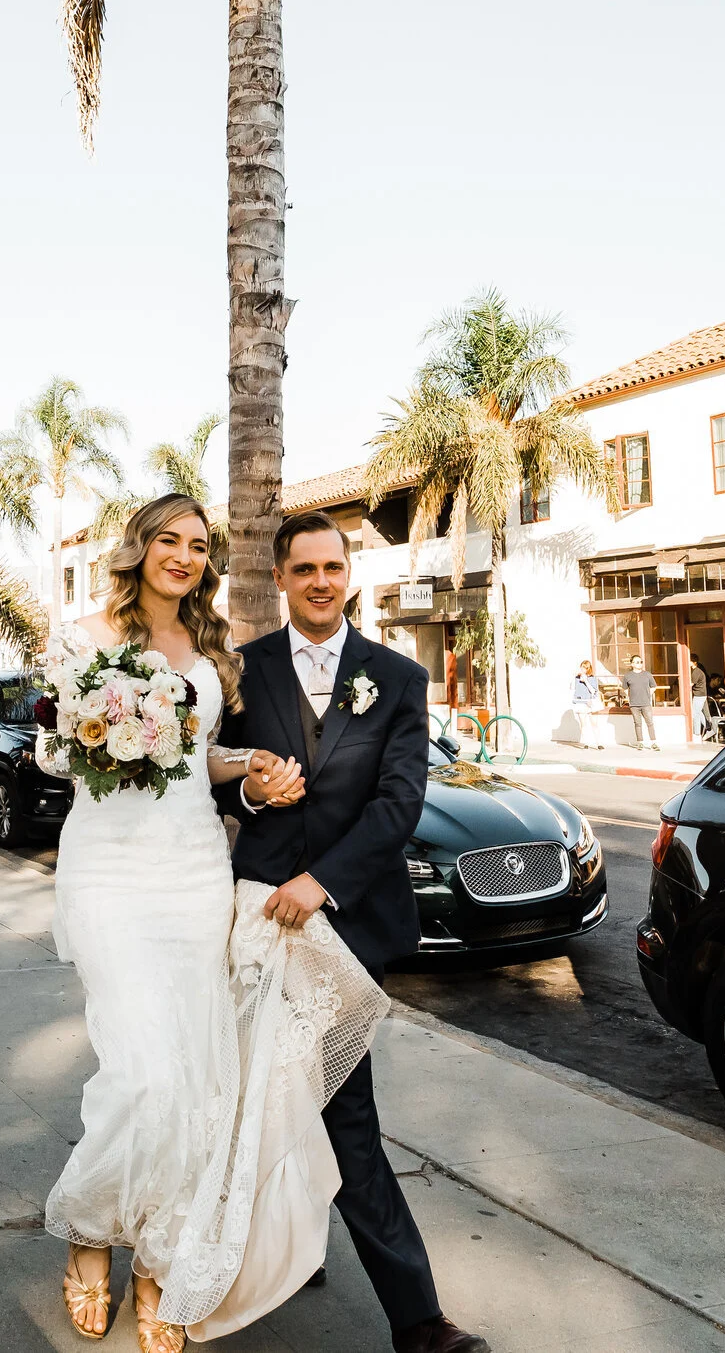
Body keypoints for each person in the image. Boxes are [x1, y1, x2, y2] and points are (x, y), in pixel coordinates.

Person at [45, 497, 410, 1353]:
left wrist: (248, 764)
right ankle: (92, 1231)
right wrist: (105, 734)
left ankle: (158, 1261)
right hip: (111, 870)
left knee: (195, 1078)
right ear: (139, 548)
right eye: (167, 539)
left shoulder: (209, 651)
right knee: (140, 1072)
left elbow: (198, 756)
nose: (182, 554)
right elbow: (54, 750)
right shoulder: (85, 634)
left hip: (195, 873)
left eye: (197, 545)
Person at [211, 506, 482, 1353]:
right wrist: (254, 793)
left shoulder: (396, 678)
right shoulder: (242, 671)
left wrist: (321, 881)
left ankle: (419, 1319)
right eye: (306, 569)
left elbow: (401, 801)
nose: (322, 581)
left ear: (348, 576)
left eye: (334, 567)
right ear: (283, 578)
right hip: (256, 919)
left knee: (341, 1105)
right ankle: (296, 1253)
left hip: (344, 923)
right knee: (253, 1093)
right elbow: (214, 782)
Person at [623, 654, 657, 749]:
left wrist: (647, 694)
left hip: (646, 703)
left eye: (641, 662)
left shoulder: (647, 674)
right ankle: (640, 742)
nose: (640, 664)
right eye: (637, 662)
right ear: (632, 664)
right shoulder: (627, 676)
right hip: (634, 704)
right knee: (637, 723)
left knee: (650, 722)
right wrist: (629, 698)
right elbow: (625, 688)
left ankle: (653, 742)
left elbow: (653, 686)